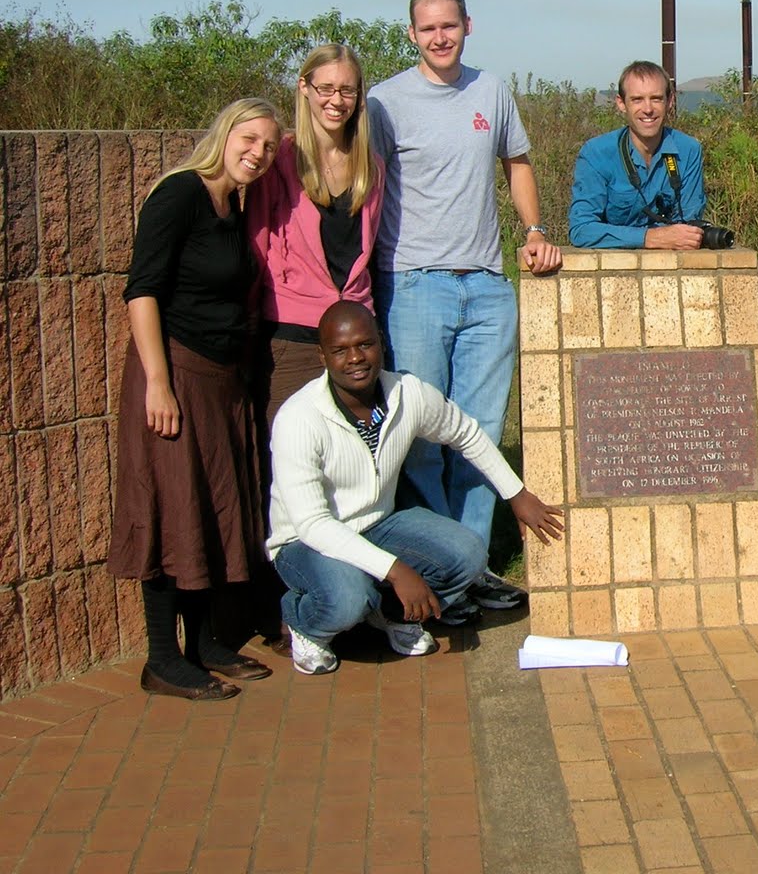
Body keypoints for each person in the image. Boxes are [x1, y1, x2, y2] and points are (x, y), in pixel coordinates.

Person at [367, 0, 561, 620]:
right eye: (427, 29)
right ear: (411, 33)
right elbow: (363, 191)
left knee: (479, 435)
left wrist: (534, 230)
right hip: (414, 283)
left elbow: (519, 164)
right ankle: (432, 569)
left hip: (485, 284)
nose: (439, 38)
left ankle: (469, 573)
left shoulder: (491, 91)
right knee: (421, 437)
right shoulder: (384, 102)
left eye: (449, 26)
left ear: (468, 26)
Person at [267, 303, 565, 675]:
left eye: (365, 344)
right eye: (340, 350)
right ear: (322, 355)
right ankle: (303, 621)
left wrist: (516, 495)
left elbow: (465, 433)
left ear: (381, 344)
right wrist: (395, 570)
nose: (356, 358)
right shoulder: (299, 418)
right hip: (305, 542)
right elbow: (312, 524)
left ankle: (390, 614)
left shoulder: (405, 393)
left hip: (376, 523)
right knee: (347, 598)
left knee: (468, 553)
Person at [108, 98, 283, 701]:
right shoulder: (179, 193)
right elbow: (142, 290)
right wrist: (158, 381)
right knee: (169, 508)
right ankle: (161, 659)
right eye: (249, 138)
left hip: (220, 379)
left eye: (268, 146)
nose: (257, 154)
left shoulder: (231, 205)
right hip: (176, 375)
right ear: (224, 132)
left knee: (208, 510)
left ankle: (203, 643)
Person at [245, 44, 385, 645]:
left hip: (355, 327)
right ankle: (294, 602)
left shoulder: (368, 161)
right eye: (325, 88)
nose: (336, 100)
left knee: (361, 463)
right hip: (294, 333)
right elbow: (256, 240)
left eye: (347, 90)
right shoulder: (279, 159)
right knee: (294, 470)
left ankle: (360, 590)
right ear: (304, 89)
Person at [568, 60, 707, 249]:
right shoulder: (596, 153)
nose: (648, 109)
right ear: (621, 103)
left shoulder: (688, 150)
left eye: (656, 98)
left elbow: (689, 226)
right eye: (637, 99)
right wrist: (649, 237)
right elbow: (581, 230)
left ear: (670, 101)